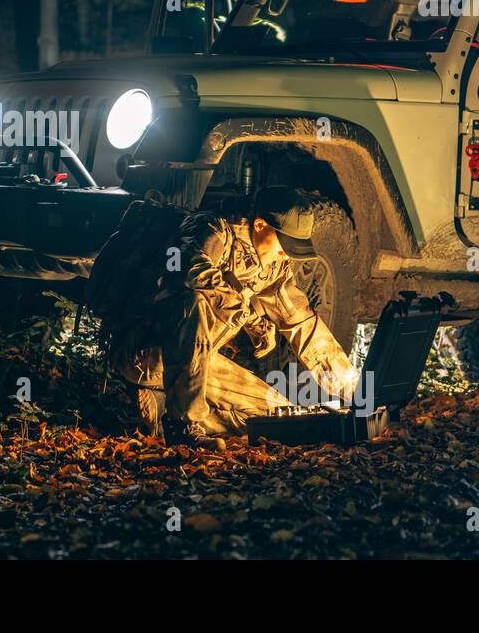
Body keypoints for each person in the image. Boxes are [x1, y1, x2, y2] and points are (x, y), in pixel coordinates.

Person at [120, 187, 358, 444]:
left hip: (201, 364)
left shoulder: (272, 268)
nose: (286, 254)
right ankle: (183, 425)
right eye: (284, 244)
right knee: (192, 300)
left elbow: (303, 324)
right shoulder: (211, 230)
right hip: (146, 352)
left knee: (274, 414)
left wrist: (355, 391)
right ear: (260, 225)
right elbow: (179, 264)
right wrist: (243, 310)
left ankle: (165, 406)